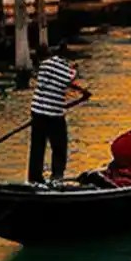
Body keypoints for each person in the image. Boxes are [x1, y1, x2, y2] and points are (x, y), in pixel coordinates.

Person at [28, 41, 91, 184]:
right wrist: (77, 76)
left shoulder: (45, 65)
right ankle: (56, 177)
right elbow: (70, 78)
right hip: (54, 114)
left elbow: (62, 83)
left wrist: (82, 92)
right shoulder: (65, 69)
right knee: (59, 147)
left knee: (37, 147)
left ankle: (34, 178)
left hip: (37, 111)